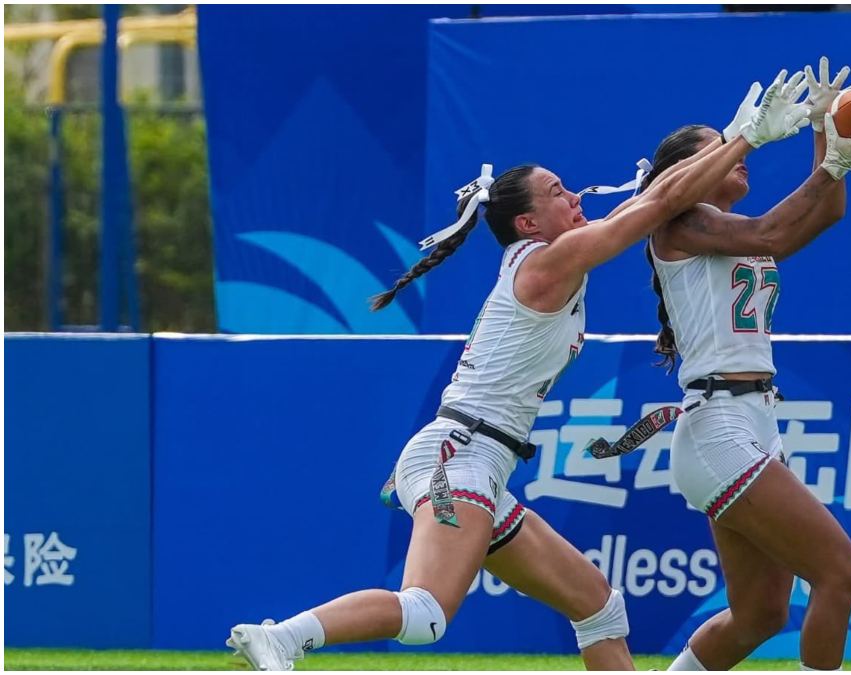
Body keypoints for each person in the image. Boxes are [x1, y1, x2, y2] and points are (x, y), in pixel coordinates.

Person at [226, 70, 813, 671]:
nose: (575, 197)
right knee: (425, 613)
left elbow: (652, 202)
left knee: (599, 608)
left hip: (480, 460)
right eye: (558, 192)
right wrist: (743, 138)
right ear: (528, 223)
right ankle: (285, 637)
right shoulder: (549, 261)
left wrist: (726, 150)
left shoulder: (550, 258)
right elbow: (659, 204)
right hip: (461, 455)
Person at [641, 58, 851, 671]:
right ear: (688, 173)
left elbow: (824, 213)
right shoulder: (679, 221)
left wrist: (824, 136)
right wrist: (831, 164)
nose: (739, 155)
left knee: (760, 615)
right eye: (723, 149)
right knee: (840, 572)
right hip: (719, 425)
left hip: (751, 421)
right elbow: (770, 235)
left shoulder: (720, 226)